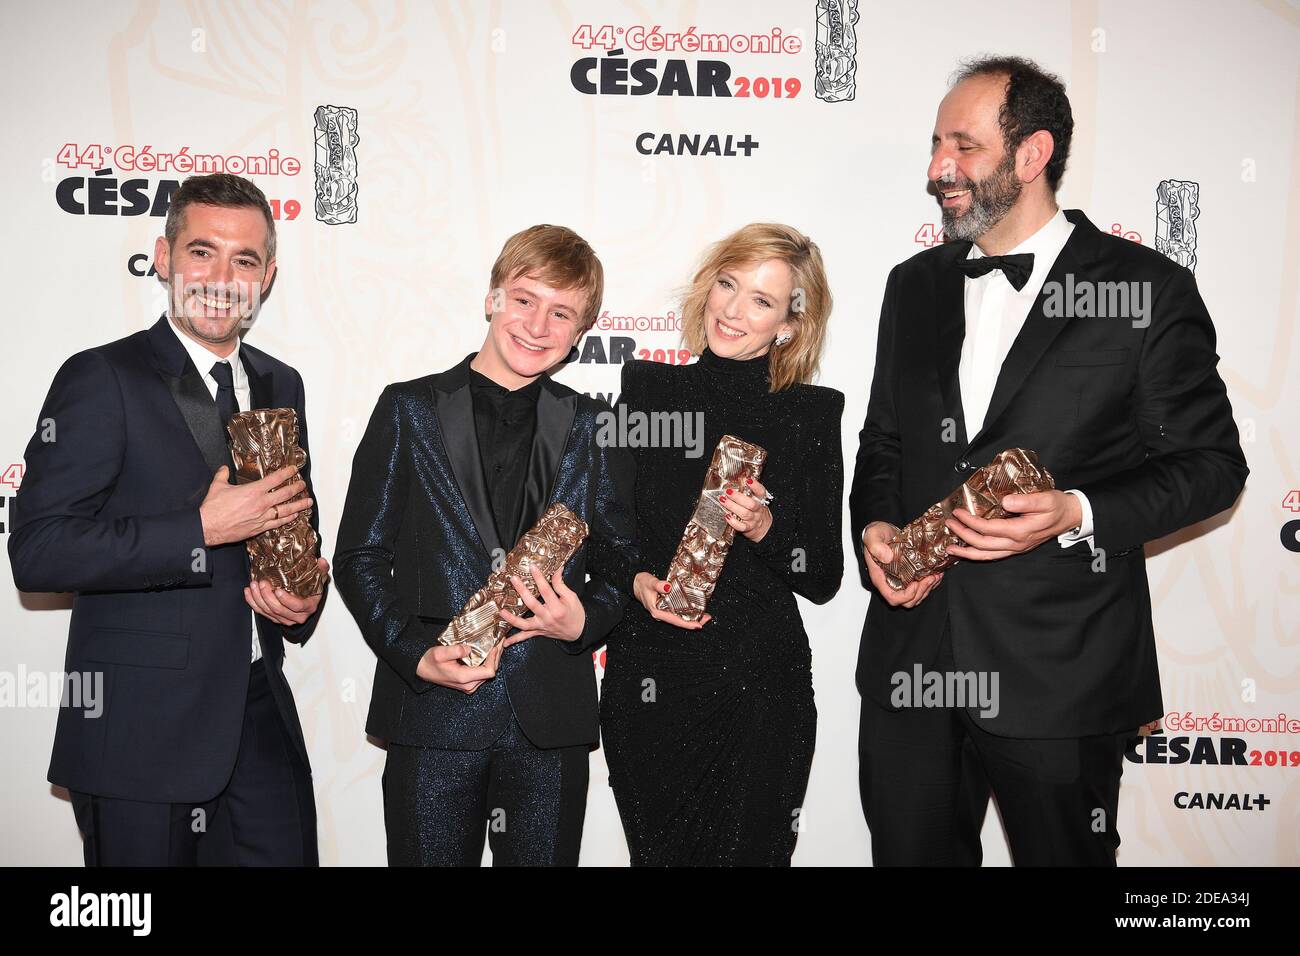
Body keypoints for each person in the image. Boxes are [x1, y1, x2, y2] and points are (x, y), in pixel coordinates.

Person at [851, 56, 1248, 866]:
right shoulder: (913, 285)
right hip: (911, 662)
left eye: (962, 146)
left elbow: (1212, 466)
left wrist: (1079, 512)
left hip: (1060, 669)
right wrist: (877, 525)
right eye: (935, 145)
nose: (938, 168)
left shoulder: (1145, 289)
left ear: (1031, 155)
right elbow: (884, 440)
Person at [9, 172, 329, 866]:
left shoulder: (282, 382)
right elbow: (37, 551)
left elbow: (297, 528)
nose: (222, 276)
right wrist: (200, 530)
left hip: (257, 714)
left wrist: (302, 597)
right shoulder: (103, 377)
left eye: (244, 259)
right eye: (202, 252)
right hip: (137, 731)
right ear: (164, 257)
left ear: (267, 275)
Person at [334, 224, 635, 866]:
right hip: (434, 713)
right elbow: (360, 557)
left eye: (562, 313)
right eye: (524, 299)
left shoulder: (596, 427)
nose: (537, 324)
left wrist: (584, 618)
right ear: (492, 297)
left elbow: (619, 562)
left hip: (550, 721)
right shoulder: (407, 408)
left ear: (580, 335)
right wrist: (416, 657)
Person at [600, 222, 843, 866]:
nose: (733, 310)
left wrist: (765, 529)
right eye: (728, 284)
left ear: (790, 324)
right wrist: (632, 581)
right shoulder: (647, 391)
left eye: (761, 300)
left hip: (760, 686)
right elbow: (606, 533)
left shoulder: (810, 414)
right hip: (652, 674)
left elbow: (822, 575)